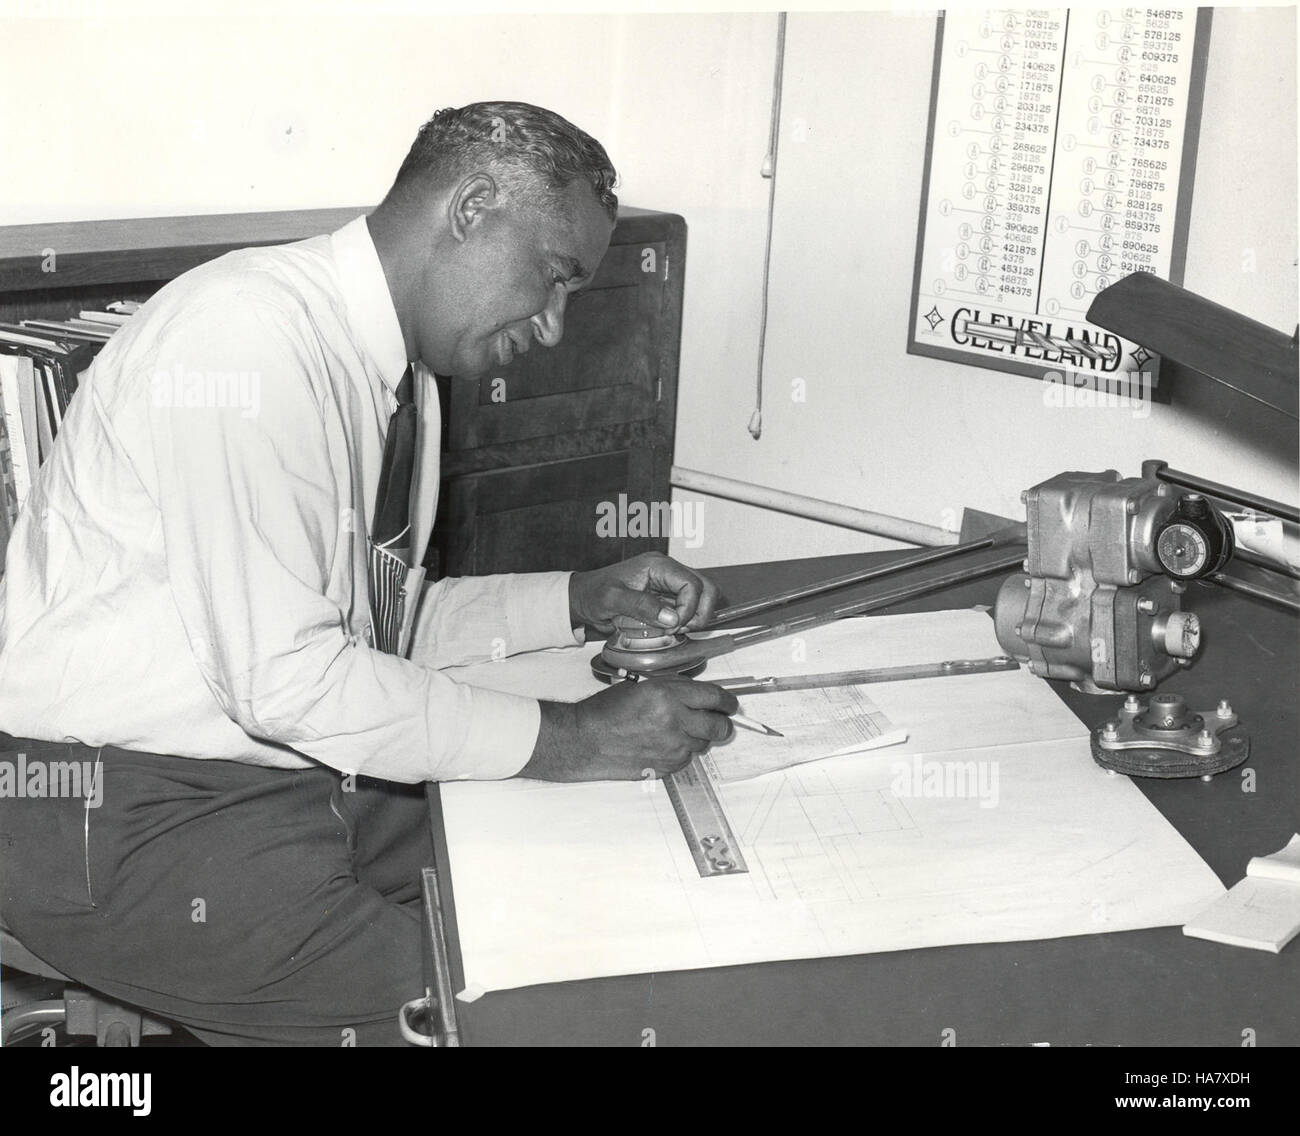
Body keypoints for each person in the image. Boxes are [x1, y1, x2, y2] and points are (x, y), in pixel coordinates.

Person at [0, 101, 737, 1045]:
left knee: (560, 893)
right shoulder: (249, 339)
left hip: (277, 775)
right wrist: (573, 737)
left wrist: (575, 599)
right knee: (497, 1016)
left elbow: (377, 623)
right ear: (471, 208)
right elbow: (291, 680)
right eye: (553, 280)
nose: (554, 329)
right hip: (116, 807)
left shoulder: (395, 371)